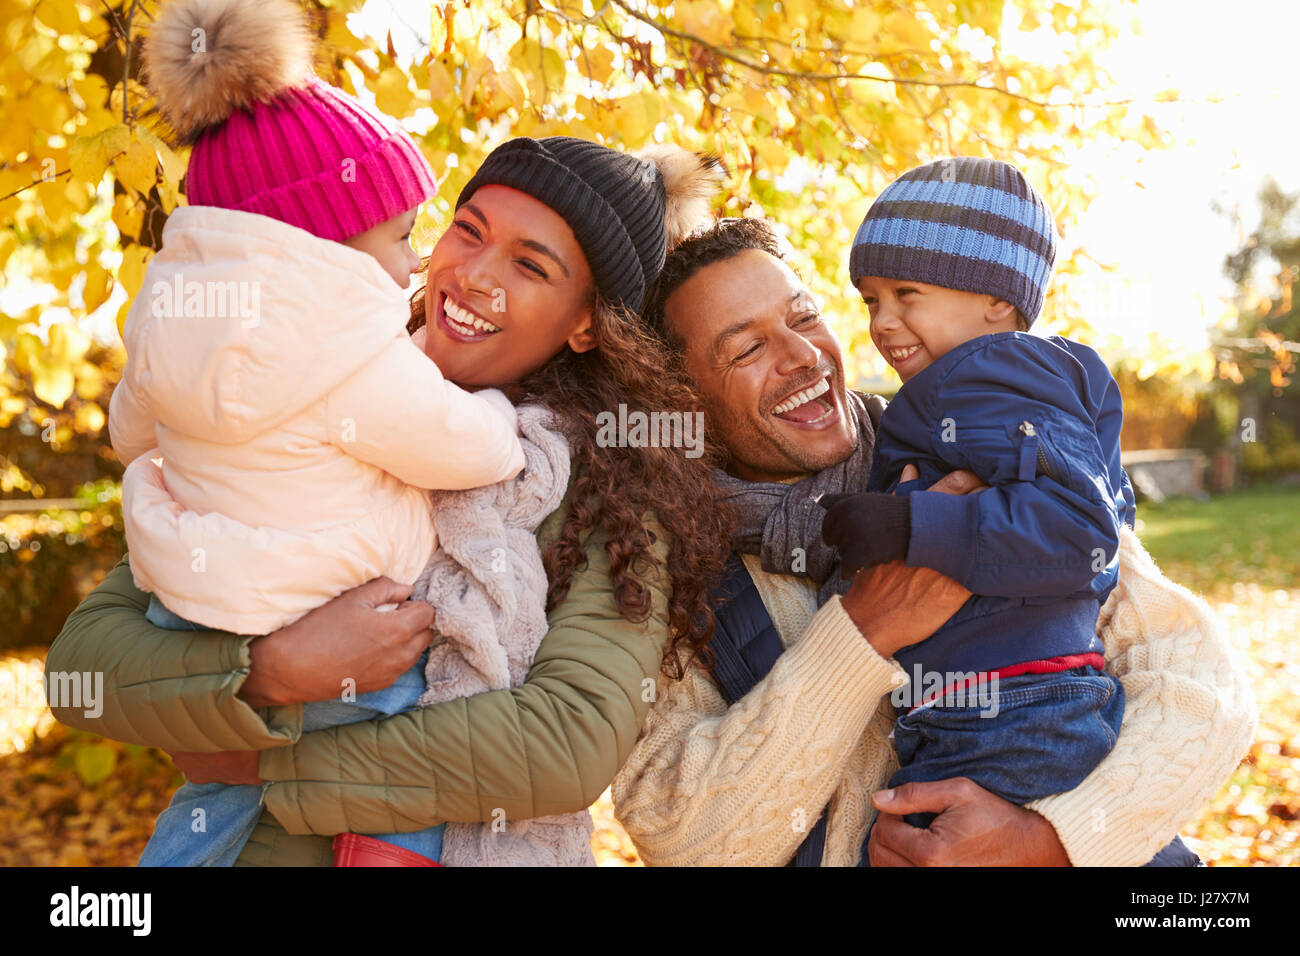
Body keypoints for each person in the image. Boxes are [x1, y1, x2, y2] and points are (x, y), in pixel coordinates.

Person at [47, 118, 730, 864]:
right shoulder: (305, 394)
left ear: (587, 326)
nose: (472, 274)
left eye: (531, 268)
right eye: (467, 232)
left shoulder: (610, 492)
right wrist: (272, 668)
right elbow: (88, 664)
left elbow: (566, 743)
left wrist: (266, 763)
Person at [612, 216, 1257, 866]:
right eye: (747, 349)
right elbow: (681, 833)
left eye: (804, 318)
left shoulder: (962, 439)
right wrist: (862, 630)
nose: (802, 355)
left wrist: (1053, 841)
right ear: (682, 396)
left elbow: (1202, 685)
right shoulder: (664, 564)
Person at [114, 0, 525, 867]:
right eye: (401, 234)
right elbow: (472, 448)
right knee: (415, 751)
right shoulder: (349, 347)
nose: (415, 262)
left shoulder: (166, 321)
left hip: (195, 617)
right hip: (350, 639)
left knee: (213, 791)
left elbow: (129, 431)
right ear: (323, 245)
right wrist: (494, 408)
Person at [819, 157, 1131, 847]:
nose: (883, 321)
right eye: (871, 300)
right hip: (986, 704)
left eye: (907, 293)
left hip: (1016, 705)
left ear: (997, 301)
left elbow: (1081, 532)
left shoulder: (992, 370)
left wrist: (911, 525)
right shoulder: (981, 382)